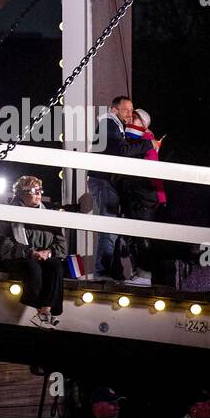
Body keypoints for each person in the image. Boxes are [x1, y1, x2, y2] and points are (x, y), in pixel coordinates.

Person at [87, 94, 149, 280]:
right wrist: (148, 144)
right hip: (103, 181)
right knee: (109, 225)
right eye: (126, 110)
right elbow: (120, 151)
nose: (130, 114)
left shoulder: (115, 126)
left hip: (108, 181)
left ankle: (113, 271)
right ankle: (103, 272)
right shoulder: (108, 124)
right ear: (114, 110)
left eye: (132, 110)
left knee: (113, 226)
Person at [0, 174, 66, 327]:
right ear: (21, 194)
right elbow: (5, 245)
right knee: (33, 267)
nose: (39, 193)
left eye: (41, 190)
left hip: (44, 255)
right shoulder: (9, 214)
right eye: (35, 190)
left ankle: (45, 310)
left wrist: (49, 252)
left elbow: (61, 244)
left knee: (56, 267)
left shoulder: (49, 215)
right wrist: (30, 253)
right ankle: (42, 308)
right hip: (19, 257)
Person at [115, 106, 165, 285]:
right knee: (133, 236)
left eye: (134, 116)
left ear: (142, 123)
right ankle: (139, 273)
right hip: (135, 194)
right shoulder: (134, 139)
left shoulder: (147, 138)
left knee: (142, 237)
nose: (129, 118)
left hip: (145, 194)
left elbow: (152, 167)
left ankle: (145, 275)